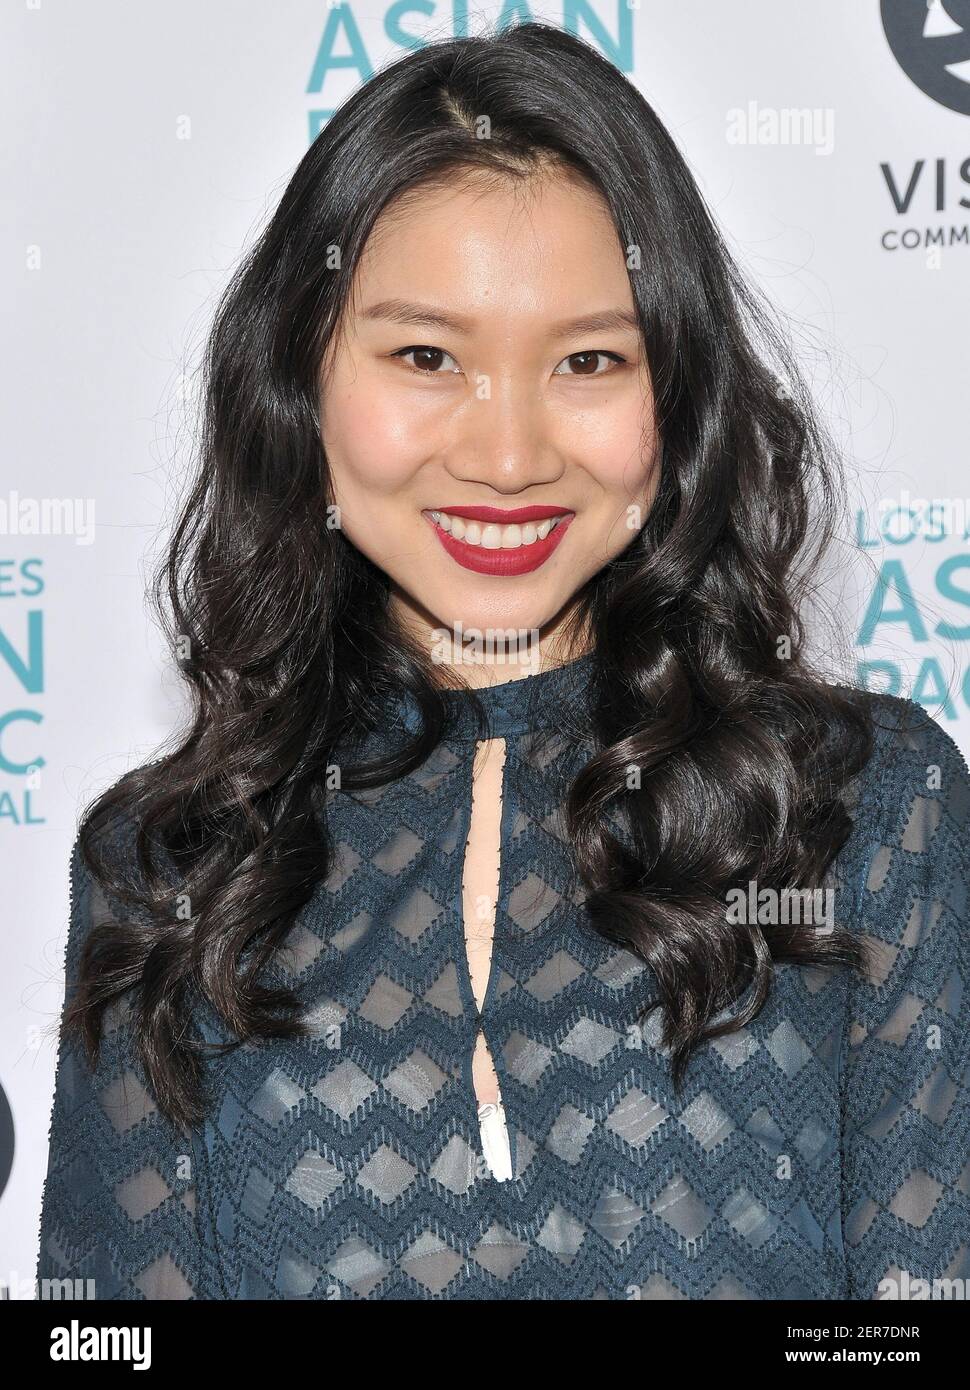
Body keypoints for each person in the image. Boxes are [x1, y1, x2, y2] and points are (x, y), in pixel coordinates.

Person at [36, 21, 969, 1301]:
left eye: (588, 360)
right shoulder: (171, 866)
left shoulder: (865, 813)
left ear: (677, 390)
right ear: (298, 379)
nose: (510, 451)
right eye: (427, 356)